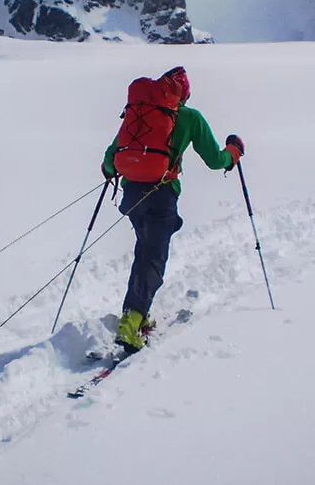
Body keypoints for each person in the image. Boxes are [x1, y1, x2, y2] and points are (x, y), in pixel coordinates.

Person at [101, 66, 244, 352]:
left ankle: (139, 313)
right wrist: (234, 152)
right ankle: (131, 324)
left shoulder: (139, 115)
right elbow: (216, 160)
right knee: (153, 260)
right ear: (184, 94)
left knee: (145, 252)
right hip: (161, 196)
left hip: (132, 196)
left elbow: (109, 158)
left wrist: (116, 171)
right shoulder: (190, 117)